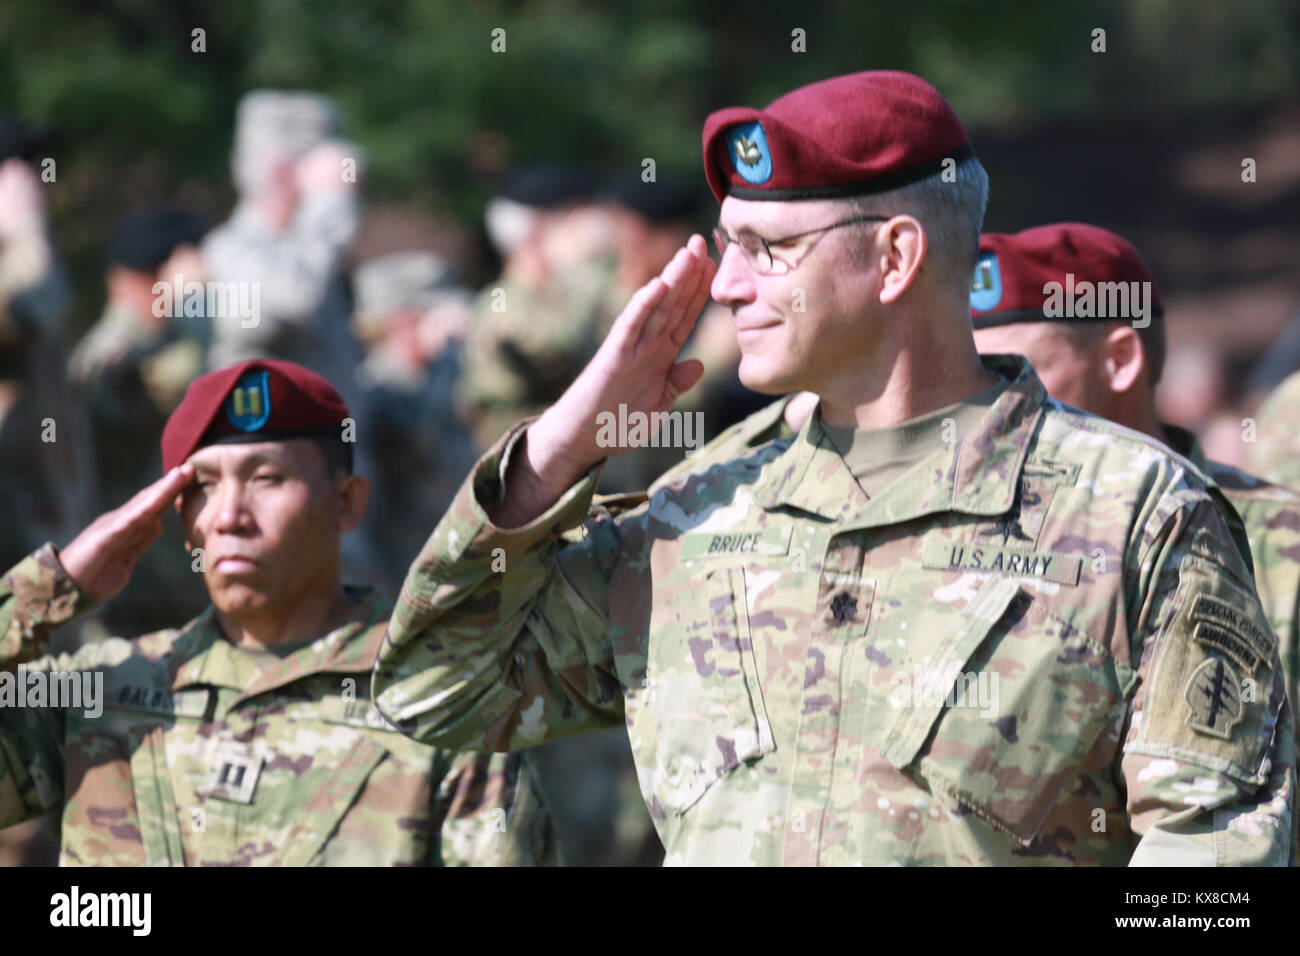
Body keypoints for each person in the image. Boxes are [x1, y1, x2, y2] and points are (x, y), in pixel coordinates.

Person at [372, 70, 1294, 865]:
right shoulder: (699, 512)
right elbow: (434, 691)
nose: (728, 286)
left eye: (770, 250)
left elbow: (1217, 849)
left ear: (894, 257)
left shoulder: (1132, 511)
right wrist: (562, 444)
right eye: (730, 245)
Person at [0, 359, 554, 865]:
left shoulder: (439, 702)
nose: (230, 517)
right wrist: (49, 586)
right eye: (204, 487)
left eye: (266, 478)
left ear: (346, 502)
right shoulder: (102, 693)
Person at [968, 222, 1300, 794]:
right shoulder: (956, 541)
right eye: (974, 381)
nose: (988, 410)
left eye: (1015, 376)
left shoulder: (1278, 542)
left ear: (1119, 360)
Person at [68, 206, 212, 638]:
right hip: (130, 597)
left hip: (162, 587)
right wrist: (197, 307)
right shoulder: (111, 355)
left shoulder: (154, 345)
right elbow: (190, 388)